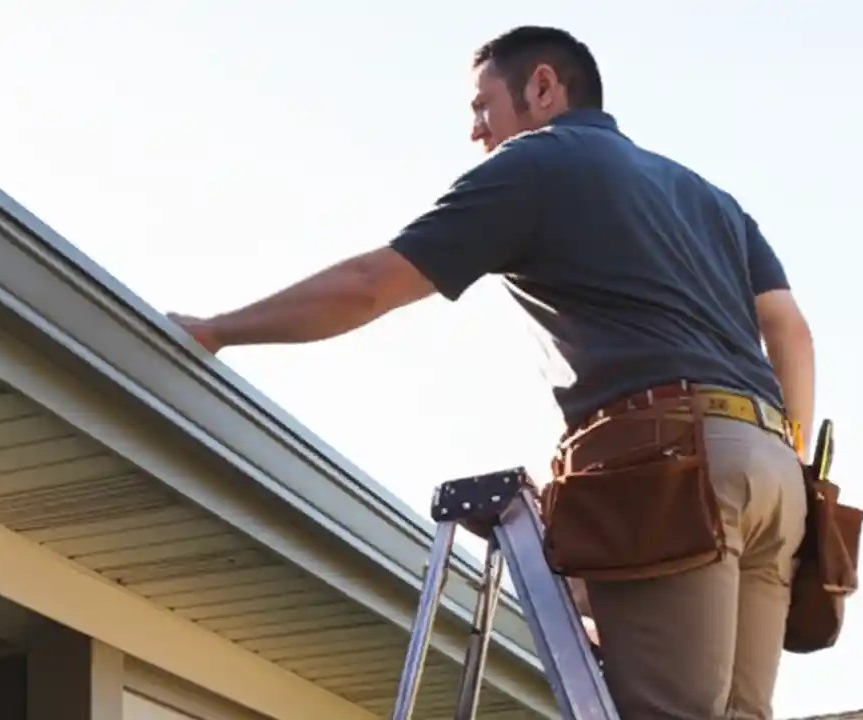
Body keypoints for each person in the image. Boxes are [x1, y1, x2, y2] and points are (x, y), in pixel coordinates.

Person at [168, 25, 814, 720]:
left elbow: (368, 285)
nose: (476, 133)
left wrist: (218, 329)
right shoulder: (709, 198)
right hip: (776, 470)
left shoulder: (535, 165)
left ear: (541, 86)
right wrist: (784, 454)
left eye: (482, 108)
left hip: (672, 466)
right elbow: (790, 333)